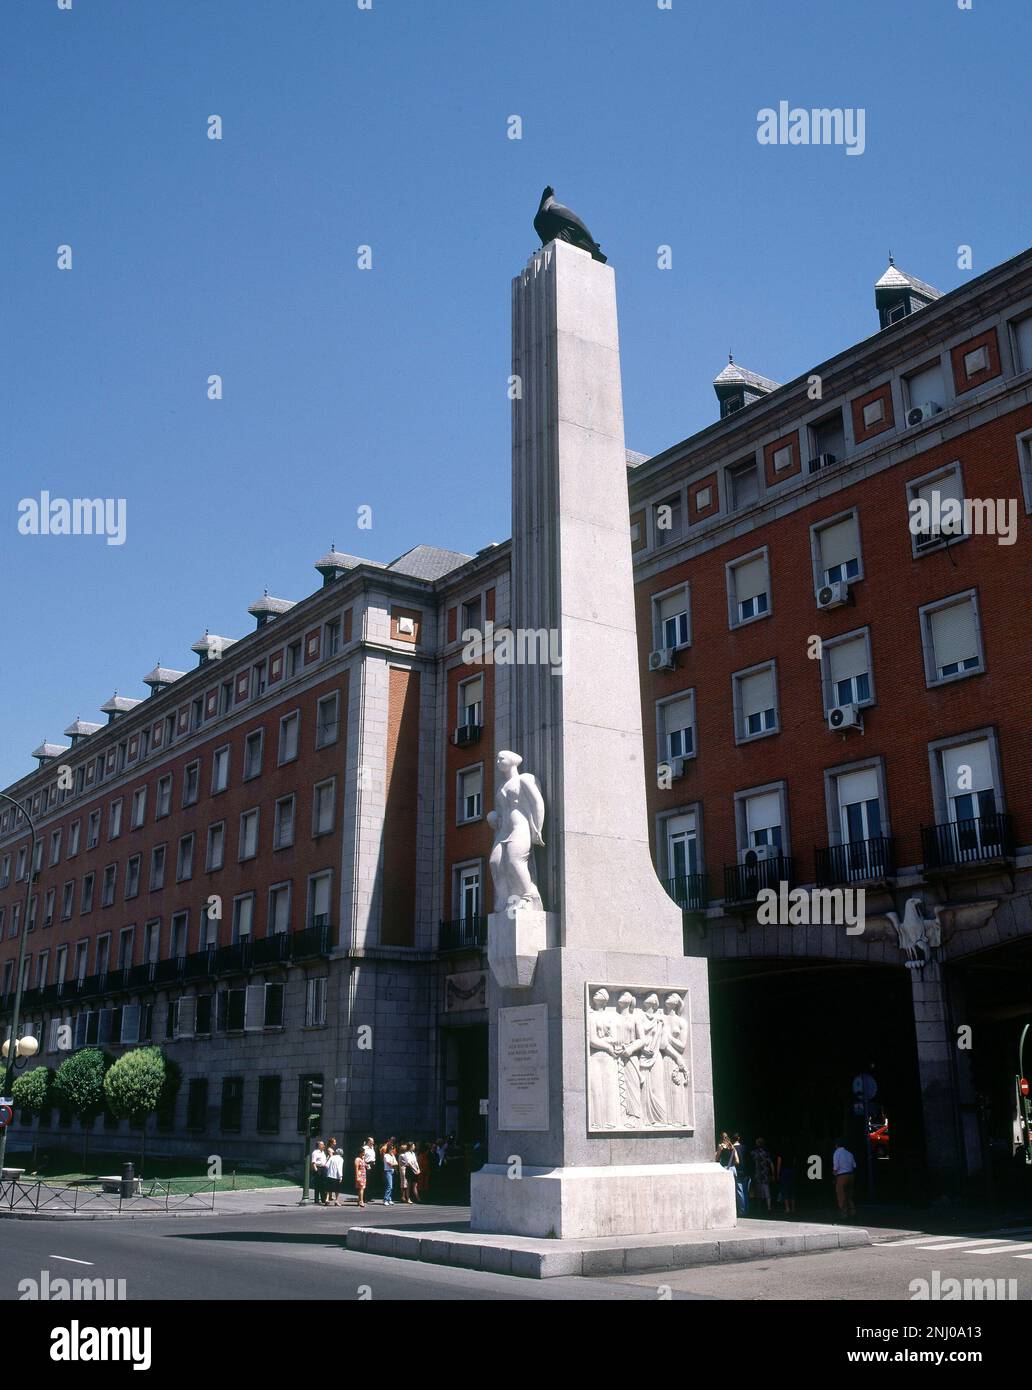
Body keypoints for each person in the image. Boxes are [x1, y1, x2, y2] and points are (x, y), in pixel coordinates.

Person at [832, 1138, 857, 1219]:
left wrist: (834, 1177)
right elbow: (854, 1166)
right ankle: (852, 1211)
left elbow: (836, 1167)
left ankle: (844, 1213)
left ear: (836, 1145)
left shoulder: (837, 1153)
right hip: (851, 1175)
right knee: (849, 1195)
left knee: (841, 1195)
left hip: (841, 1176)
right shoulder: (849, 1153)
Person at [750, 1138, 775, 1215]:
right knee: (767, 1193)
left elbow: (751, 1162)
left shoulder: (754, 1152)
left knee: (758, 1192)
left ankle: (759, 1208)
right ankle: (769, 1208)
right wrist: (773, 1174)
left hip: (758, 1174)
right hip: (765, 1174)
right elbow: (771, 1164)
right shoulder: (766, 1153)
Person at [776, 1143, 798, 1215]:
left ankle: (787, 1208)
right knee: (792, 1189)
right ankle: (793, 1208)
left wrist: (778, 1174)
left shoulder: (781, 1153)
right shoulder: (793, 1152)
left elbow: (779, 1163)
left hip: (784, 1171)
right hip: (792, 1170)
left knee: (785, 1189)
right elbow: (794, 1162)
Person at [730, 1132, 748, 1215]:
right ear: (739, 1138)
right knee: (745, 1191)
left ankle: (742, 1210)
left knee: (739, 1191)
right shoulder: (744, 1147)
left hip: (737, 1171)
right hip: (745, 1171)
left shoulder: (732, 1148)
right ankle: (747, 1209)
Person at [310, 1139, 328, 1205]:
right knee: (317, 1184)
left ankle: (323, 1199)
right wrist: (316, 1170)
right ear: (319, 1145)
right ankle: (316, 1200)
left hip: (323, 1168)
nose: (324, 1146)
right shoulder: (315, 1152)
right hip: (318, 1168)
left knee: (323, 1184)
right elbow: (313, 1162)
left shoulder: (323, 1152)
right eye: (322, 1144)